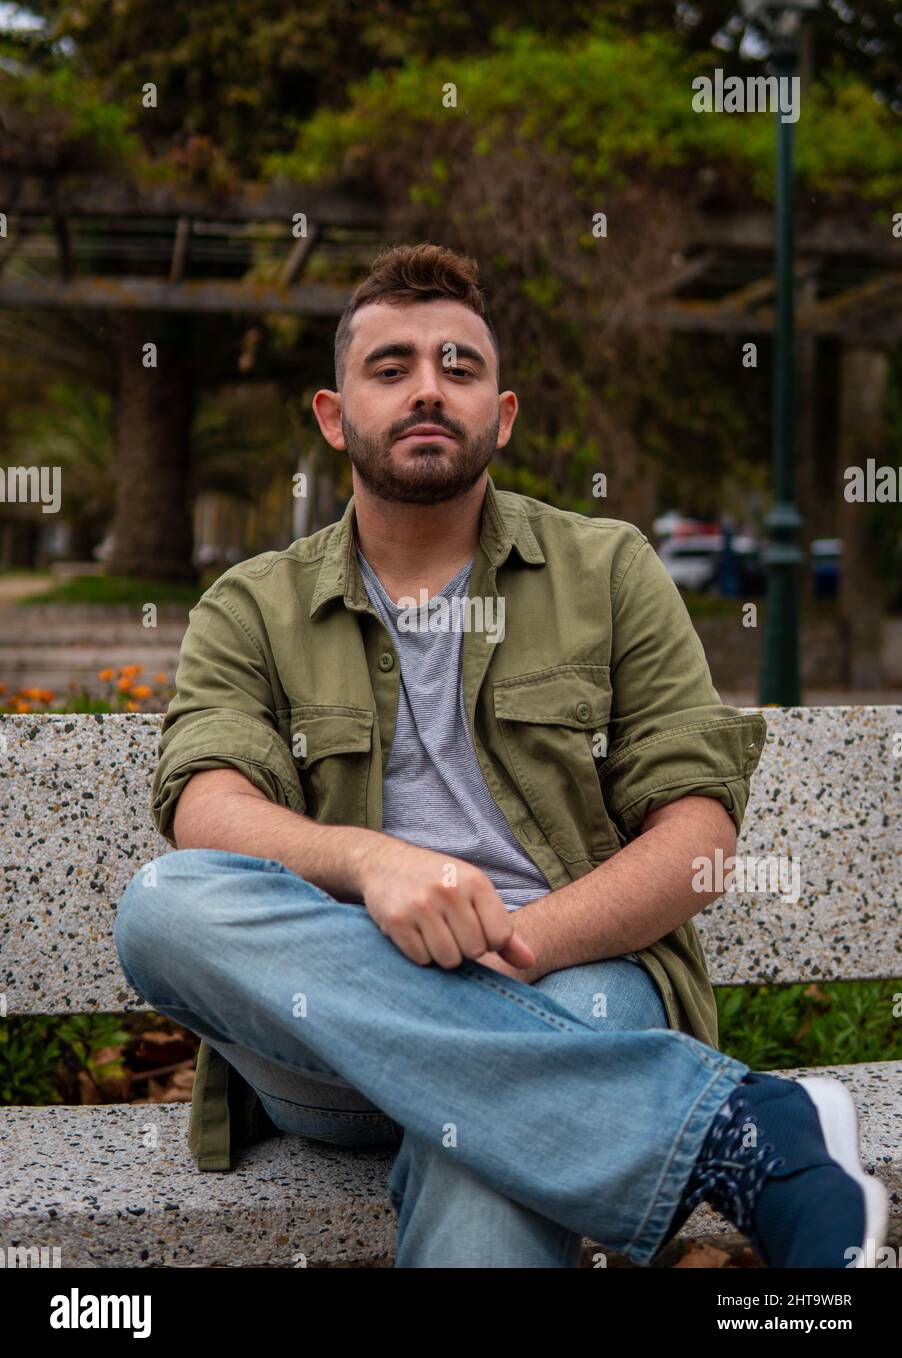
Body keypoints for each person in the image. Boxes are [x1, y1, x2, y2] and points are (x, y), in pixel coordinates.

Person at [114, 242, 888, 1269]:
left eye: (457, 366)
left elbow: (697, 834)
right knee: (164, 904)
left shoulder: (609, 571)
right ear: (333, 415)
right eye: (390, 368)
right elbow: (207, 805)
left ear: (502, 414)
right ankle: (733, 1133)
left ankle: (608, 1108)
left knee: (485, 1149)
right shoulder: (250, 605)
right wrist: (372, 862)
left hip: (574, 985)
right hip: (334, 1049)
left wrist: (515, 947)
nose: (426, 388)